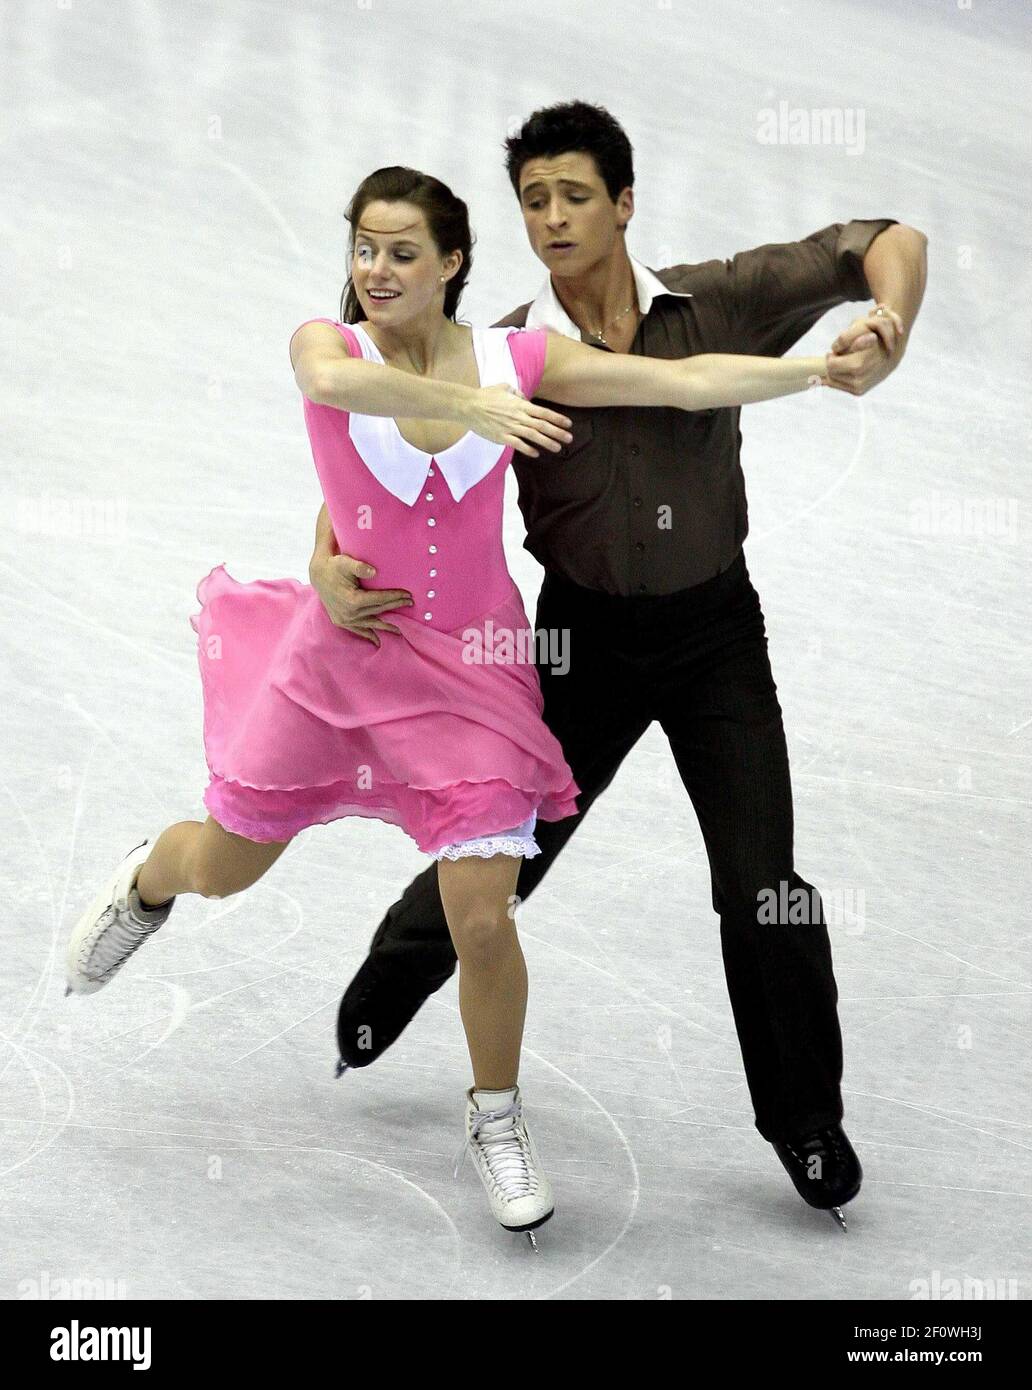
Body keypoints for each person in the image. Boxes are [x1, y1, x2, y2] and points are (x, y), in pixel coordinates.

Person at [65, 158, 849, 1245]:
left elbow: (678, 384)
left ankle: (495, 1115)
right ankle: (150, 876)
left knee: (484, 913)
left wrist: (814, 376)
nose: (376, 270)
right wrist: (450, 422)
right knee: (227, 864)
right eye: (363, 249)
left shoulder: (515, 357)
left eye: (400, 252)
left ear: (452, 263)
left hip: (473, 670)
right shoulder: (328, 344)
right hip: (338, 661)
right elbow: (338, 394)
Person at [312, 102, 927, 1232]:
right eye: (533, 200)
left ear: (624, 202)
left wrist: (888, 319)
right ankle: (395, 974)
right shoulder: (498, 350)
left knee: (764, 882)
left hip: (713, 640)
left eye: (574, 195)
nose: (551, 216)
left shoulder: (719, 298)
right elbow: (369, 438)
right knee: (504, 847)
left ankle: (805, 1116)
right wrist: (324, 562)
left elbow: (884, 237)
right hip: (578, 638)